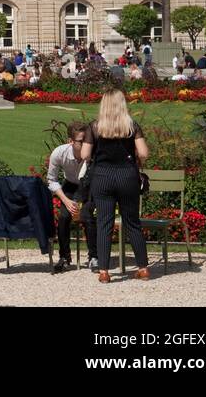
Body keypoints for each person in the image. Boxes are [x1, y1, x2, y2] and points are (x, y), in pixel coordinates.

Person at [80, 90, 150, 282]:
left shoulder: (94, 127)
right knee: (132, 223)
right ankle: (143, 267)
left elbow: (85, 154)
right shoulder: (132, 126)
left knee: (104, 223)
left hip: (102, 176)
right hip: (127, 176)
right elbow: (143, 153)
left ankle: (104, 271)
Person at [47, 122, 98, 272]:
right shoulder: (59, 153)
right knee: (63, 216)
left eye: (88, 140)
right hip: (69, 186)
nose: (86, 144)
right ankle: (65, 256)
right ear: (70, 141)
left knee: (87, 216)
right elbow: (51, 179)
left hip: (89, 186)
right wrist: (66, 200)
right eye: (81, 141)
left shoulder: (92, 153)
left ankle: (94, 256)